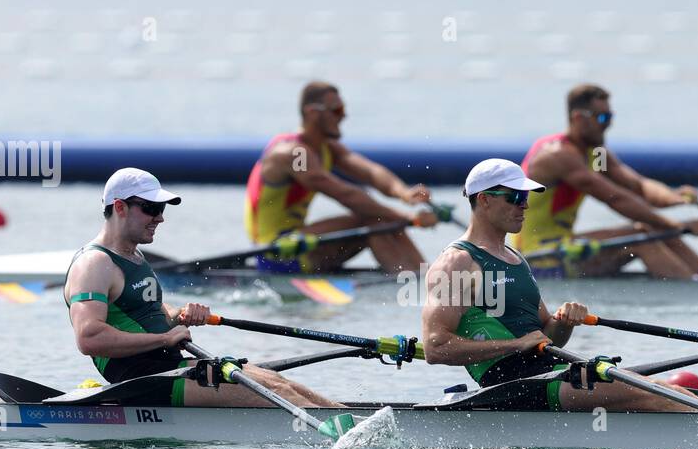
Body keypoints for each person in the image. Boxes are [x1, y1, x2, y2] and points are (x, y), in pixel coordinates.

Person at [421, 158, 698, 412]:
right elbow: (436, 347)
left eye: (526, 197)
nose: (525, 205)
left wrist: (563, 320)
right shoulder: (455, 263)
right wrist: (516, 344)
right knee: (661, 395)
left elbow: (548, 338)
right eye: (515, 197)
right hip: (512, 386)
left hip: (550, 373)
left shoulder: (515, 259)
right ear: (484, 200)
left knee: (670, 390)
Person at [64, 167, 338, 408]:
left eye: (162, 209)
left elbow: (145, 314)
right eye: (151, 208)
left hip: (168, 367)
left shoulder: (134, 257)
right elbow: (89, 338)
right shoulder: (94, 264)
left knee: (280, 383)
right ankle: (346, 434)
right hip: (142, 381)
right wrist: (163, 339)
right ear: (120, 207)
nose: (159, 218)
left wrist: (179, 314)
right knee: (274, 392)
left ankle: (349, 418)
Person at [512, 83, 698, 279]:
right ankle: (694, 289)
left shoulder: (596, 154)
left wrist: (674, 198)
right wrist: (675, 225)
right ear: (578, 118)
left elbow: (638, 186)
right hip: (538, 260)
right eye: (602, 117)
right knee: (642, 239)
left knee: (652, 229)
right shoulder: (558, 156)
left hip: (563, 246)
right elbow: (615, 198)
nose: (608, 124)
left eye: (610, 116)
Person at [243, 81, 439, 274]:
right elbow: (346, 195)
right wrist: (408, 218)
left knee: (381, 219)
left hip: (300, 243)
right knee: (374, 219)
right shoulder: (294, 155)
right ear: (312, 113)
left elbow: (370, 172)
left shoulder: (326, 148)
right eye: (336, 110)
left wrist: (403, 192)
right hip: (276, 252)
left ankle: (422, 277)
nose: (344, 116)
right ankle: (418, 282)